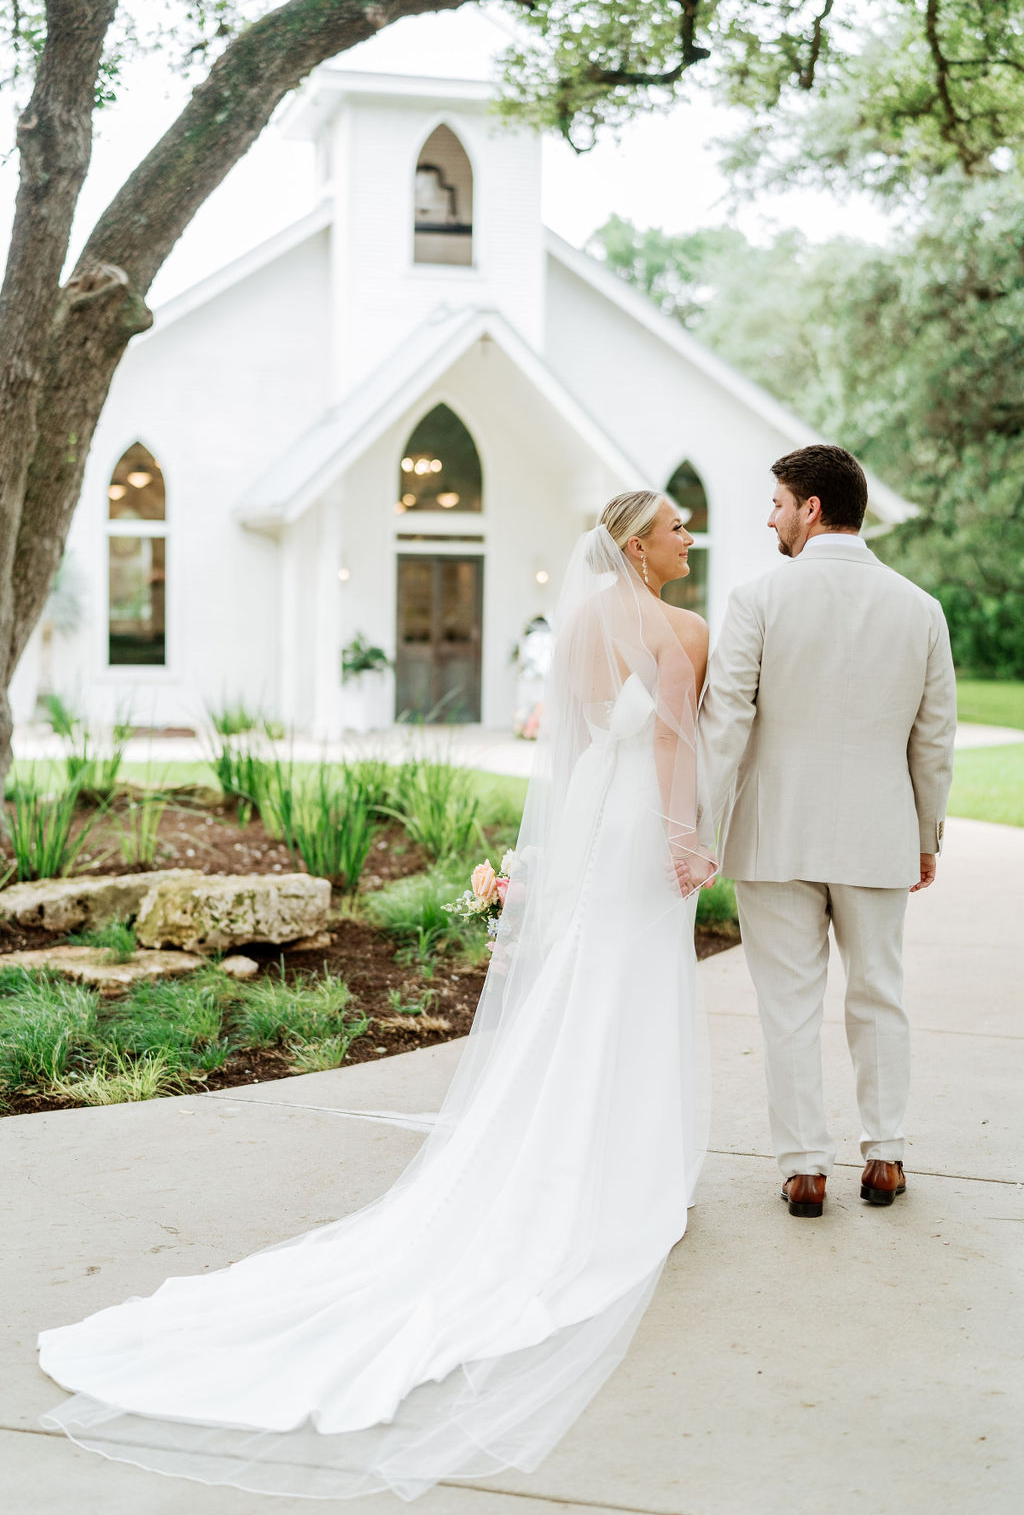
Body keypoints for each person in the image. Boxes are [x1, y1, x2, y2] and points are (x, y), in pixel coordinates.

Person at [38, 492, 716, 1501]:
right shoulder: (684, 630)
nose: (687, 539)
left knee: (583, 987)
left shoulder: (578, 625)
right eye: (674, 529)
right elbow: (666, 745)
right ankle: (627, 1165)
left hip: (587, 822)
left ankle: (571, 1146)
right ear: (635, 546)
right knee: (627, 987)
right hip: (636, 831)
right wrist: (682, 837)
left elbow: (575, 738)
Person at [698, 444, 957, 1219]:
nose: (769, 518)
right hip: (879, 832)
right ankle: (886, 1157)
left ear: (812, 509)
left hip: (774, 833)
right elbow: (934, 737)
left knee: (788, 1005)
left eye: (777, 503)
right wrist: (926, 834)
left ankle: (805, 1169)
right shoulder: (919, 608)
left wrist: (704, 829)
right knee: (881, 993)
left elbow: (725, 723)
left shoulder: (756, 600)